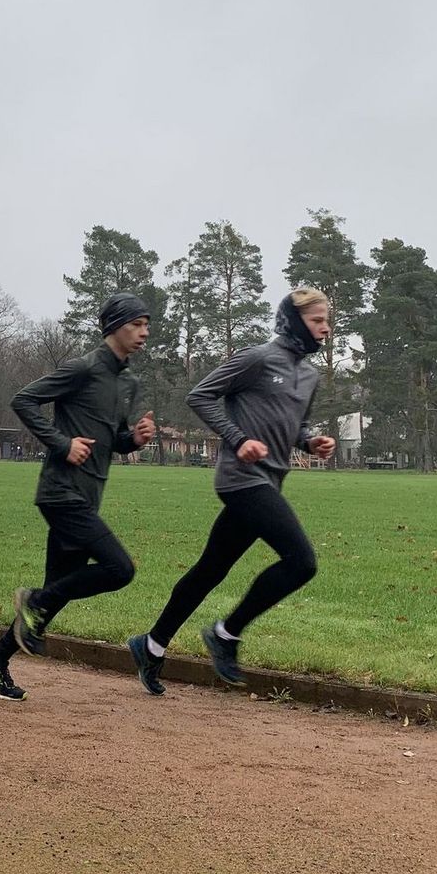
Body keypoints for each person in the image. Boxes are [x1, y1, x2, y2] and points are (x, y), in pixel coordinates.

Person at [127, 288, 334, 695]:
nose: (325, 328)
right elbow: (200, 396)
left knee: (211, 569)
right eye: (316, 321)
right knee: (301, 562)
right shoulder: (258, 359)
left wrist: (311, 442)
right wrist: (238, 439)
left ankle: (150, 645)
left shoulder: (309, 376)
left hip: (270, 480)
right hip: (241, 479)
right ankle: (226, 634)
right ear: (294, 322)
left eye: (327, 321)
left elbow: (295, 426)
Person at [0, 294, 155, 701]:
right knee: (119, 569)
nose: (144, 332)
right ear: (114, 326)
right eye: (137, 324)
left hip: (88, 494)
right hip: (60, 492)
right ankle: (33, 601)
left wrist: (134, 439)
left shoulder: (127, 382)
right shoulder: (82, 369)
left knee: (57, 591)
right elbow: (23, 400)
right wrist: (61, 442)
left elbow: (113, 439)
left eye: (146, 324)